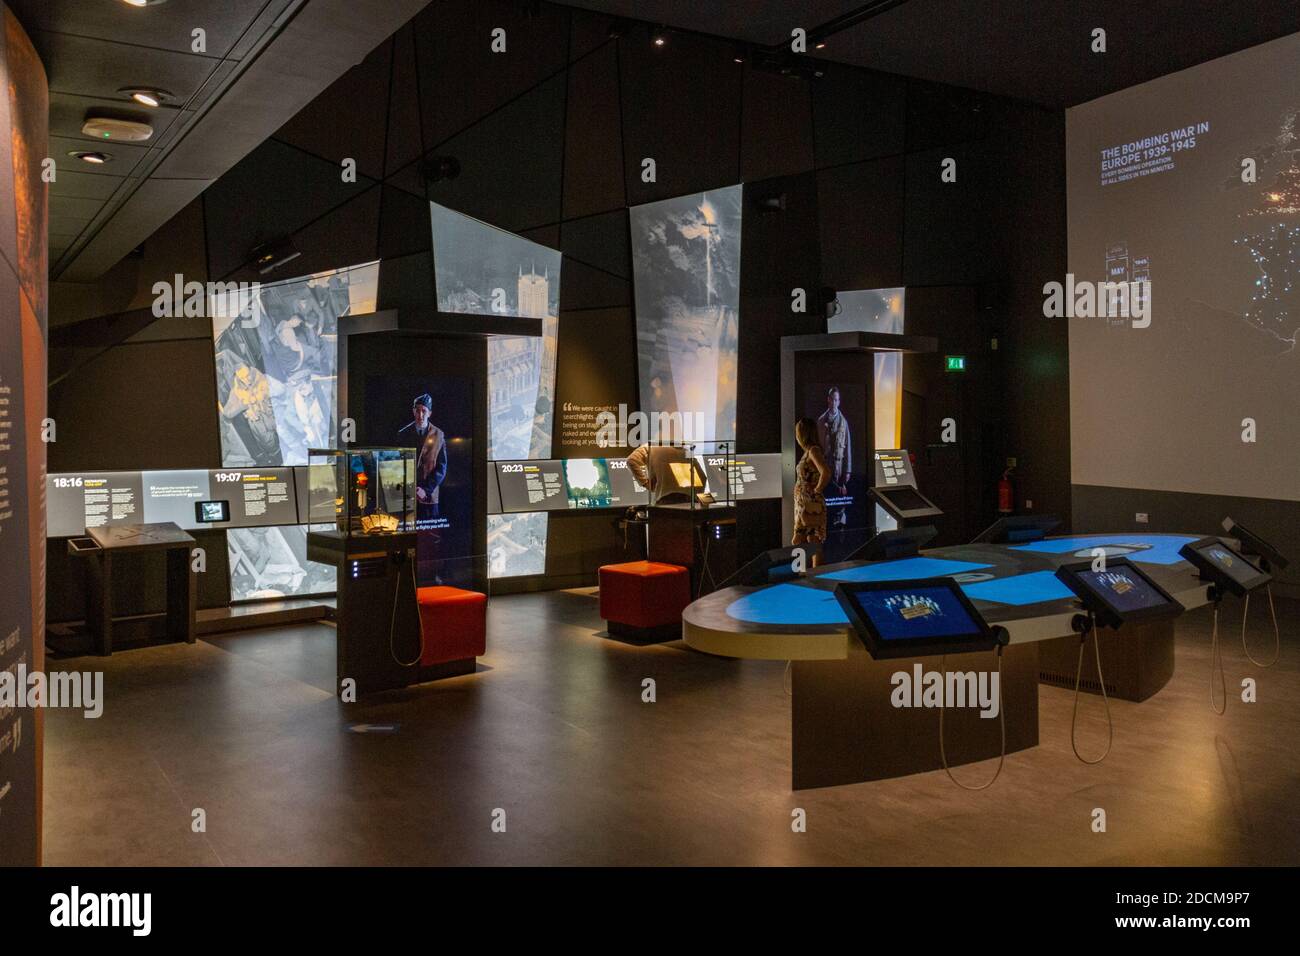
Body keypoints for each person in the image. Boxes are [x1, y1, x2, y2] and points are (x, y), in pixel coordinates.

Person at [792, 417, 830, 563]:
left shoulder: (813, 450)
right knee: (810, 540)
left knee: (808, 541)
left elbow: (825, 472)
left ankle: (811, 576)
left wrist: (817, 490)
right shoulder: (808, 451)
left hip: (810, 505)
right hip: (803, 504)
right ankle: (804, 575)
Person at [405, 393, 447, 522]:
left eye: (424, 411)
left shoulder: (439, 435)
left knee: (430, 533)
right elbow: (396, 465)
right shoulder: (403, 434)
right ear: (413, 412)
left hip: (429, 496)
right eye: (417, 411)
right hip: (406, 495)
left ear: (430, 413)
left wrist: (425, 490)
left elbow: (442, 467)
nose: (420, 415)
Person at [816, 386, 851, 527]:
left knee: (839, 495)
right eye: (832, 400)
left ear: (839, 401)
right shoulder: (820, 421)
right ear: (828, 400)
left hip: (838, 466)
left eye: (837, 400)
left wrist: (847, 470)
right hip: (824, 466)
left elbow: (848, 446)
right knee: (826, 496)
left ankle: (839, 522)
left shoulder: (844, 422)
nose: (834, 403)